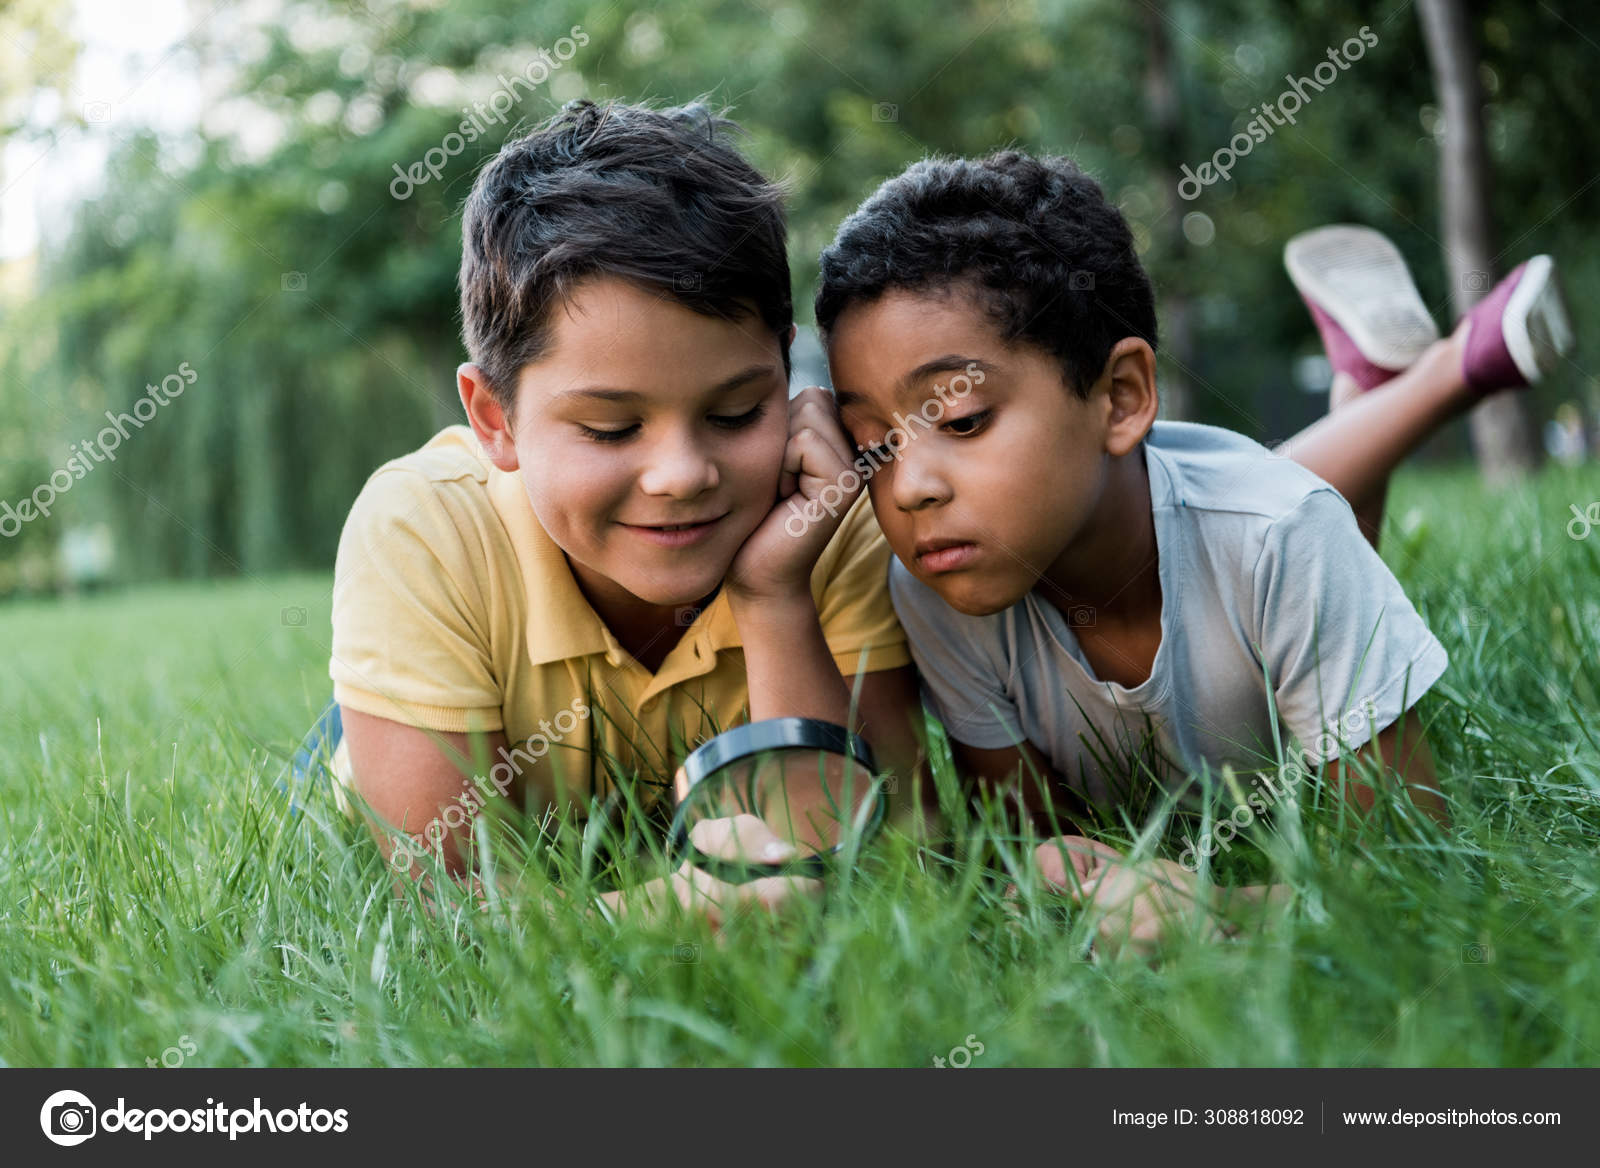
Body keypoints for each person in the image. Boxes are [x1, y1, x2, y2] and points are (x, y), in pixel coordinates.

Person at [814, 151, 1575, 954]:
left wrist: (1224, 909)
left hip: (1250, 537)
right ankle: (1374, 382)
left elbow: (1418, 872)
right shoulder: (938, 585)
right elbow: (1034, 855)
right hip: (1224, 544)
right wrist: (1084, 884)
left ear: (1122, 396)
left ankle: (1410, 379)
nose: (908, 489)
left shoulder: (1281, 536)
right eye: (871, 445)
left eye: (963, 420)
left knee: (1264, 526)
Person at [313, 100, 923, 923]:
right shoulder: (421, 529)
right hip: (423, 706)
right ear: (495, 420)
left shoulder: (825, 509)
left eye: (737, 413)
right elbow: (447, 905)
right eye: (611, 427)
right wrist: (661, 914)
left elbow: (872, 853)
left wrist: (776, 595)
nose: (681, 475)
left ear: (783, 375)